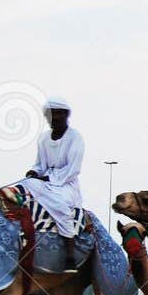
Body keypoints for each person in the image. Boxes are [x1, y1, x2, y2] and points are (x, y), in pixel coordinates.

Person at [20, 97, 86, 236]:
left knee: (59, 204)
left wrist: (49, 178)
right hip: (44, 183)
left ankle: (69, 240)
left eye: (56, 114)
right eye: (49, 115)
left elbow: (73, 169)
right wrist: (34, 171)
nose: (52, 118)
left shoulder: (75, 138)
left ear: (65, 114)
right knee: (25, 184)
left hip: (65, 185)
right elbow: (39, 165)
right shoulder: (43, 138)